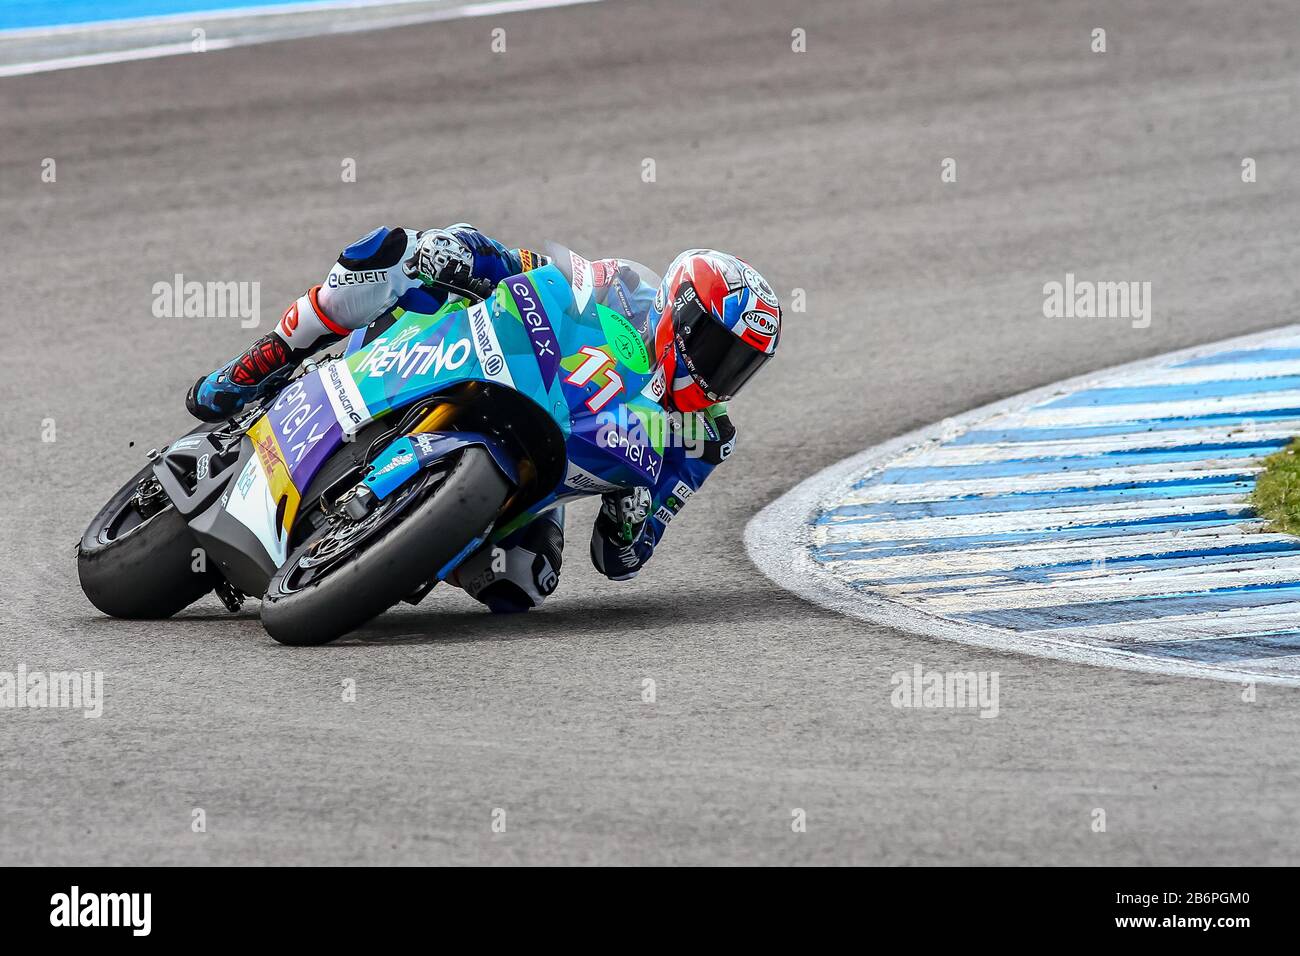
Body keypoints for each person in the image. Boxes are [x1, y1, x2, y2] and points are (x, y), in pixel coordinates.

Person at [186, 225, 782, 611]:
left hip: (535, 473)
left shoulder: (701, 439)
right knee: (392, 264)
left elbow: (621, 562)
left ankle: (392, 542)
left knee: (524, 584)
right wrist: (461, 254)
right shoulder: (625, 294)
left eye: (740, 367)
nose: (719, 375)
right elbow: (525, 267)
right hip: (494, 368)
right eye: (716, 348)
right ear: (680, 313)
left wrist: (631, 516)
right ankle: (256, 366)